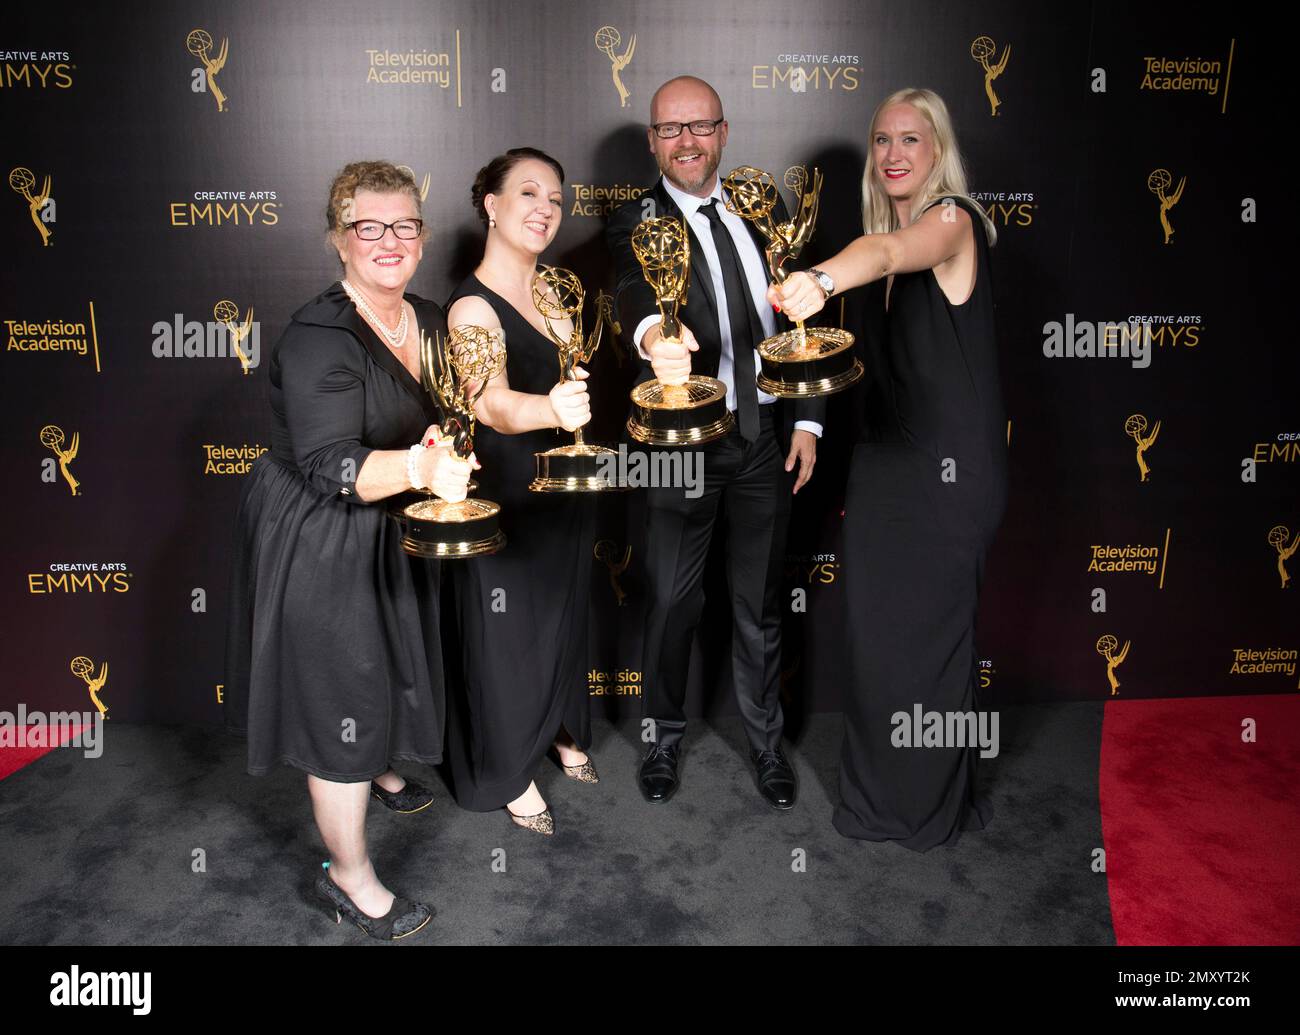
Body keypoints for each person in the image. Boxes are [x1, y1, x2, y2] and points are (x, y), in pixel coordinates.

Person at [224, 161, 475, 937]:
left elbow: (444, 409)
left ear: (422, 235)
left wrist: (441, 442)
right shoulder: (317, 336)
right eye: (369, 226)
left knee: (384, 661)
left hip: (387, 520)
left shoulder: (427, 316)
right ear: (340, 238)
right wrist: (422, 465)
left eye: (404, 225)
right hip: (323, 528)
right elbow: (333, 462)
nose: (389, 240)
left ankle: (380, 760)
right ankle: (350, 877)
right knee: (342, 683)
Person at [769, 87, 1007, 850]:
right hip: (881, 468)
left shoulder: (952, 223)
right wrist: (809, 427)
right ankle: (877, 799)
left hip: (950, 473)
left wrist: (822, 279)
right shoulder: (875, 246)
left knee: (930, 643)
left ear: (939, 150)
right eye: (882, 140)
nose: (895, 154)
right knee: (877, 642)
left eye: (912, 139)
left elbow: (886, 253)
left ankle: (925, 811)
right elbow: (849, 366)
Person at [605, 76, 826, 809]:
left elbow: (806, 322)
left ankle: (767, 745)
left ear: (724, 133)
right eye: (671, 129)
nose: (687, 141)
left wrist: (809, 419)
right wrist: (653, 336)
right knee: (671, 599)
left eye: (700, 126)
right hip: (684, 441)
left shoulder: (766, 208)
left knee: (759, 602)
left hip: (765, 435)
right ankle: (662, 739)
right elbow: (634, 292)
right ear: (652, 142)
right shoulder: (638, 218)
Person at [443, 148, 597, 836]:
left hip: (566, 486)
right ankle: (506, 767)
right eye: (528, 192)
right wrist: (552, 411)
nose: (545, 208)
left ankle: (559, 726)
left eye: (556, 199)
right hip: (508, 491)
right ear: (491, 205)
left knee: (562, 617)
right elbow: (493, 405)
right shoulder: (471, 306)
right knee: (509, 632)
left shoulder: (557, 292)